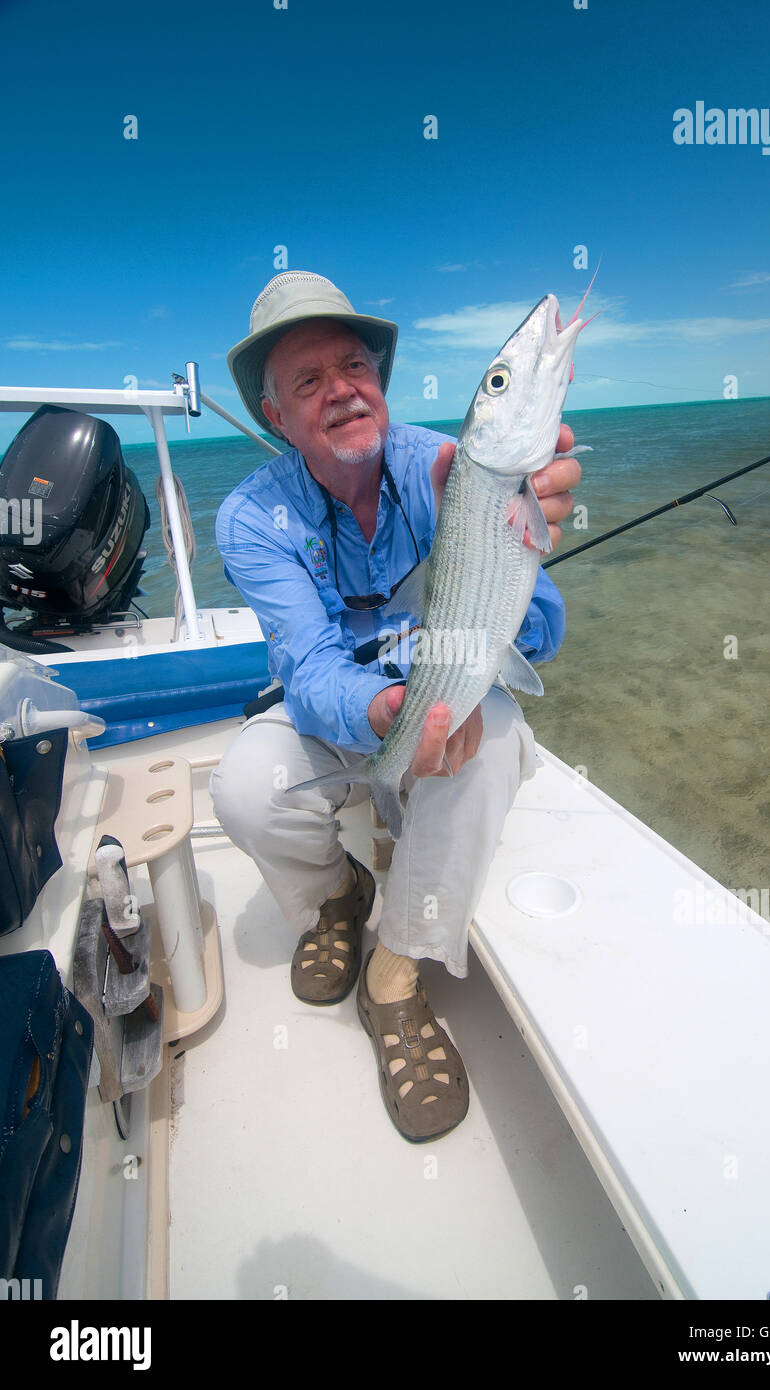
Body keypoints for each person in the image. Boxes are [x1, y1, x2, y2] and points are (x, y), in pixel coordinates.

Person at [210, 271, 582, 1142]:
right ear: (275, 415)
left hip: (446, 697)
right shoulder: (250, 518)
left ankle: (397, 971)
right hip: (354, 714)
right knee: (243, 787)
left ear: (378, 379)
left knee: (494, 741)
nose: (340, 389)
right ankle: (339, 891)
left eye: (353, 365)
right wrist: (387, 717)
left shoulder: (448, 468)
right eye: (308, 381)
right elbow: (306, 668)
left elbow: (542, 635)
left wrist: (517, 544)